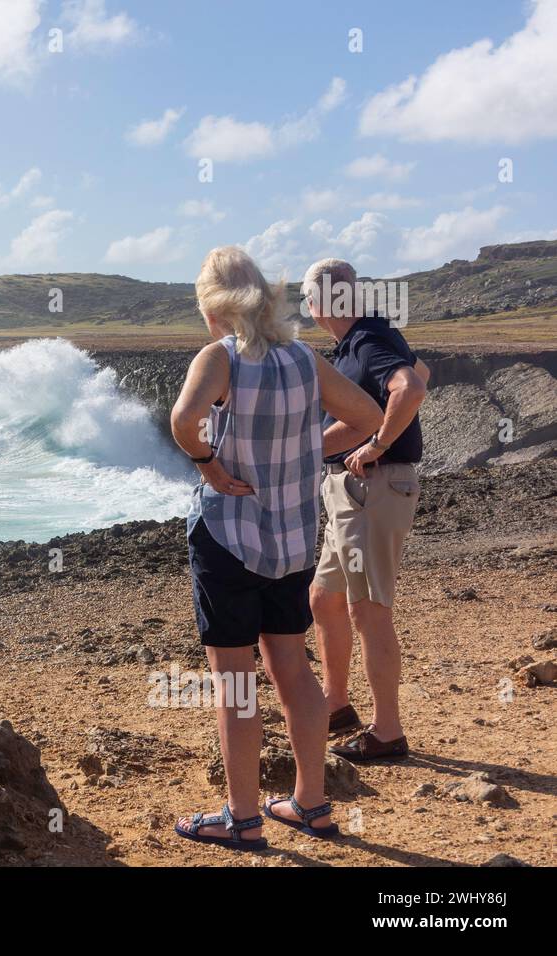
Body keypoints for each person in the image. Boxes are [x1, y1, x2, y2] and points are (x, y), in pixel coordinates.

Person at [171, 247, 382, 850]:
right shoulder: (303, 359)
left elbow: (184, 421)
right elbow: (367, 416)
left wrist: (209, 465)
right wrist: (308, 448)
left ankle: (242, 817)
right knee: (293, 667)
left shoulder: (221, 358)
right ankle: (311, 804)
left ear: (214, 309)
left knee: (235, 683)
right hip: (292, 541)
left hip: (230, 539)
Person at [303, 258, 431, 762]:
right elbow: (422, 370)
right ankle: (337, 705)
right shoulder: (360, 341)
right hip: (351, 492)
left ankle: (388, 733)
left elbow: (411, 386)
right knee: (323, 599)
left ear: (318, 304)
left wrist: (377, 445)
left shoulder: (370, 339)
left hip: (372, 489)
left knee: (368, 611)